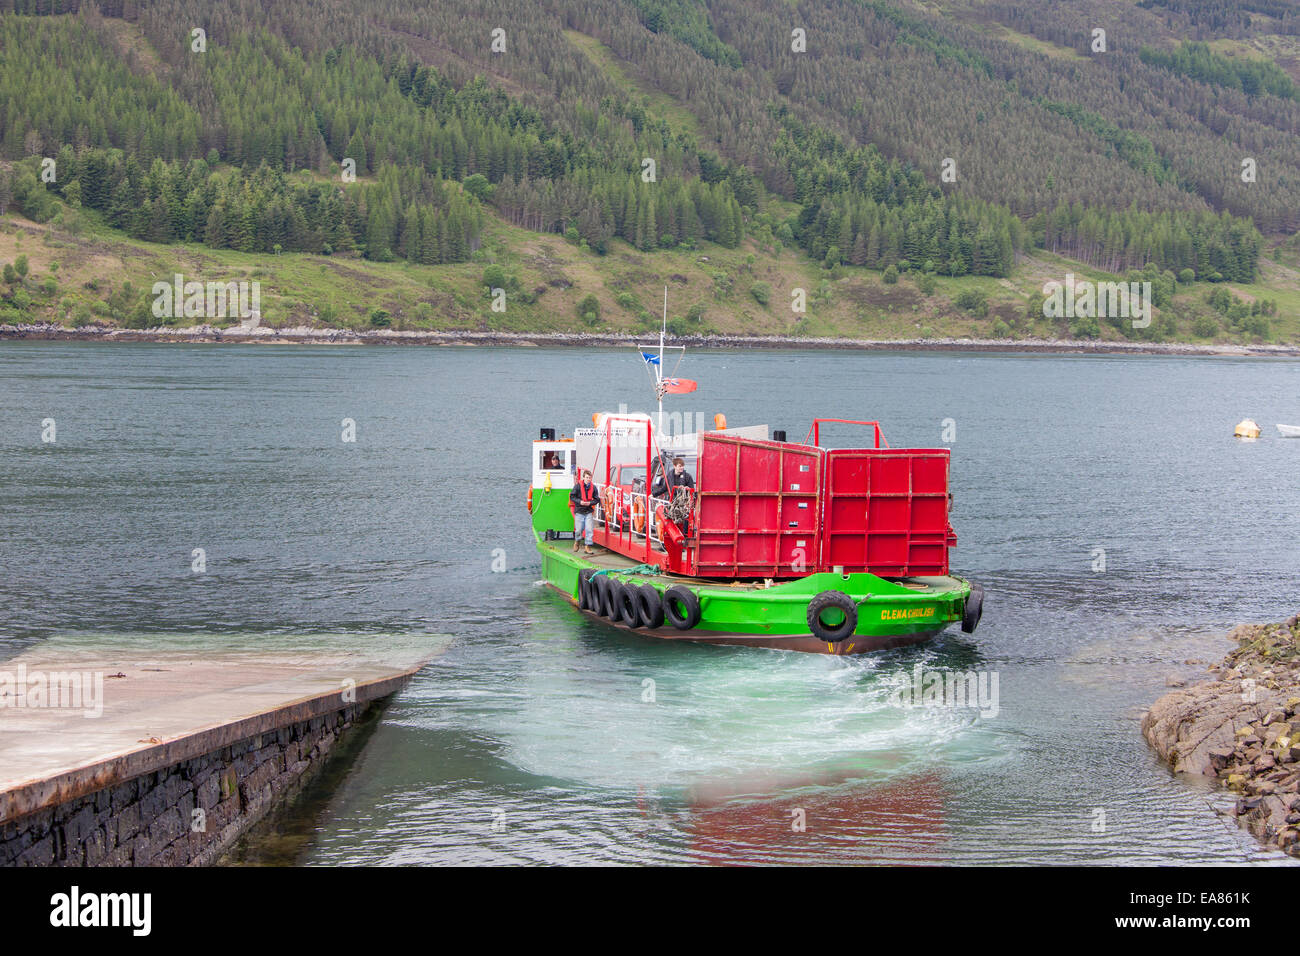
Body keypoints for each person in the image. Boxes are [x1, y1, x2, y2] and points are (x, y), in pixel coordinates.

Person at [570, 469, 599, 554]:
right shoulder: (578, 486)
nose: (588, 479)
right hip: (579, 511)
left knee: (589, 529)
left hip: (588, 511)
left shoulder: (593, 488)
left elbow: (597, 499)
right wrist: (580, 502)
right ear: (583, 478)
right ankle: (577, 541)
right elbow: (572, 496)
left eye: (590, 478)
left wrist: (590, 503)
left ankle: (587, 546)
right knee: (579, 529)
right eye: (587, 477)